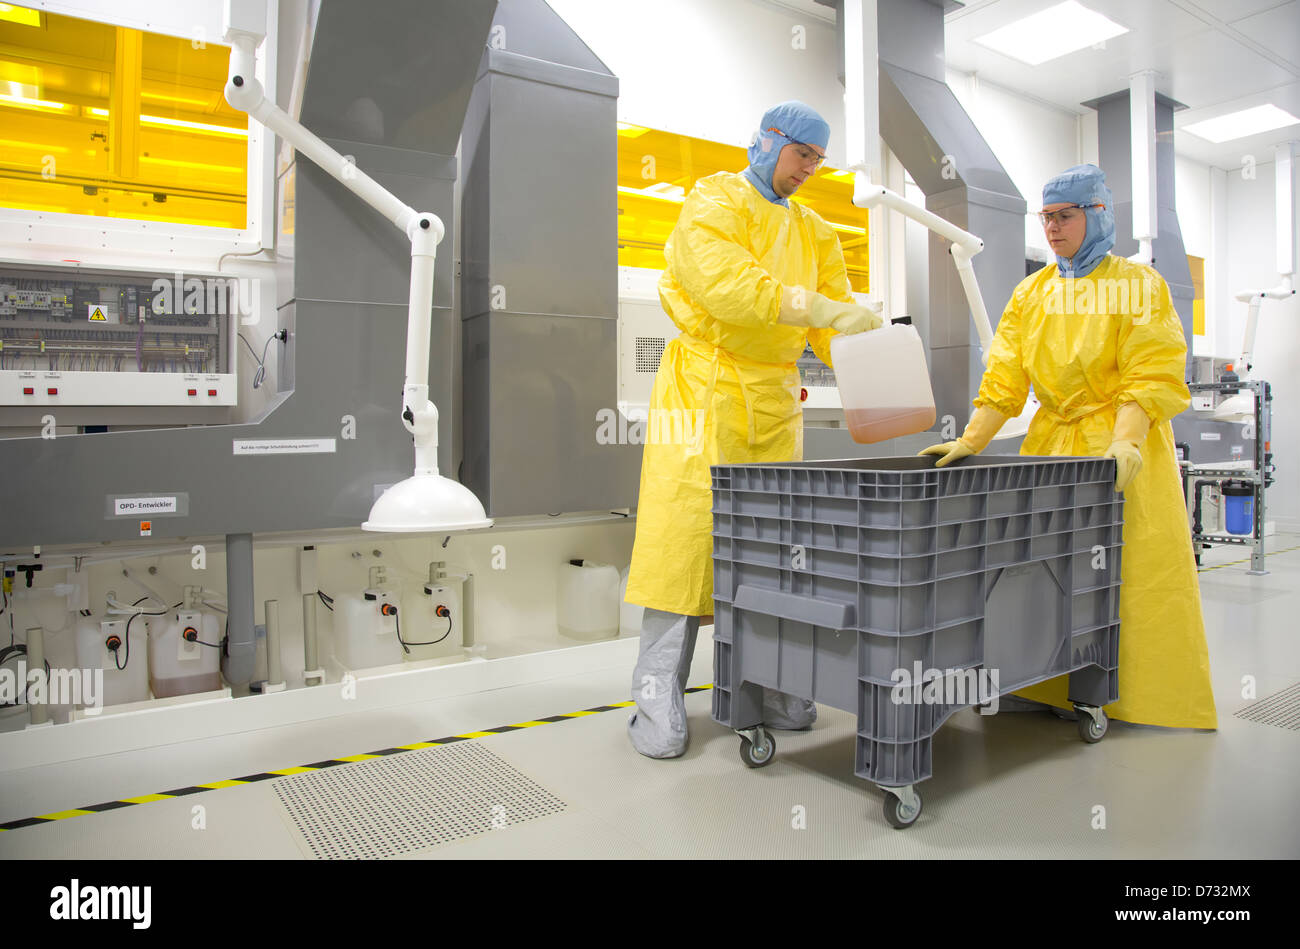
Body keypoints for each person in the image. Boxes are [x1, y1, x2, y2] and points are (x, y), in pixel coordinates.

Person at [623, 101, 884, 758]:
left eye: (818, 162)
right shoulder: (713, 200)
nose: (808, 171)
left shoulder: (818, 232)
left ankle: (769, 676)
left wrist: (862, 349)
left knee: (773, 542)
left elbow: (827, 322)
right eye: (802, 155)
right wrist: (819, 307)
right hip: (703, 387)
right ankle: (658, 684)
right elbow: (729, 287)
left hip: (772, 397)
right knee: (684, 536)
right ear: (768, 143)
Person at [920, 163, 1217, 730]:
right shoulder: (1031, 294)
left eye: (1065, 216)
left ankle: (1131, 692)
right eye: (1047, 218)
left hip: (1119, 450)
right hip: (1053, 446)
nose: (1053, 228)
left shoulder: (1137, 285)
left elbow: (1151, 371)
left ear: (1099, 215)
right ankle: (1044, 682)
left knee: (1127, 567)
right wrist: (970, 438)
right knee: (1043, 568)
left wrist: (1126, 442)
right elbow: (1005, 380)